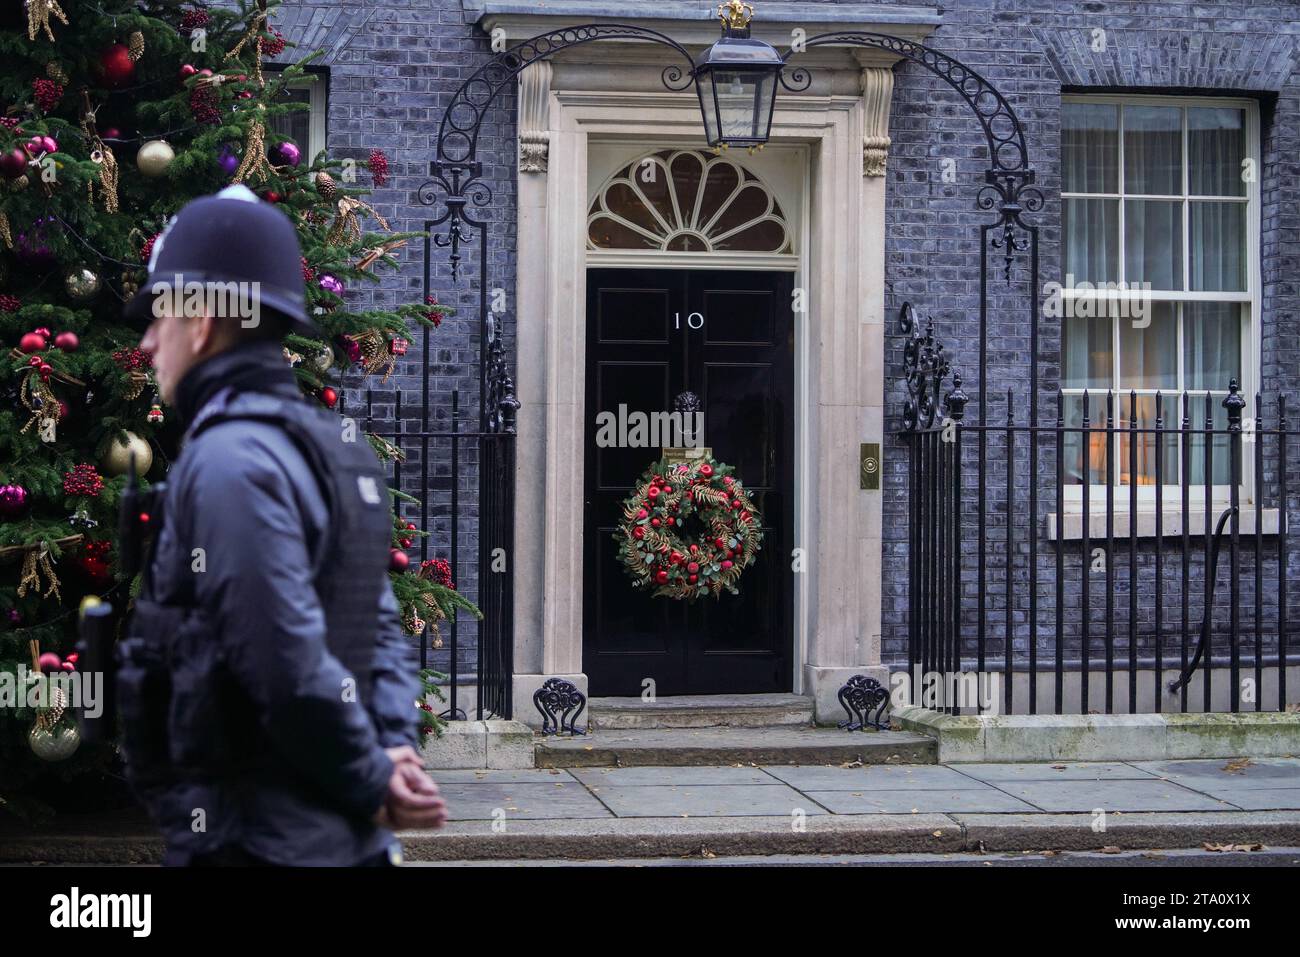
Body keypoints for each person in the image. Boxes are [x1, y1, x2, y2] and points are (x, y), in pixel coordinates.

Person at [115, 184, 447, 866]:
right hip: (341, 844)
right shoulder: (336, 446)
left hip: (257, 845)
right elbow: (377, 622)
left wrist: (372, 773)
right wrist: (391, 746)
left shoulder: (229, 459)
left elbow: (282, 657)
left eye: (159, 315)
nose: (148, 340)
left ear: (201, 320)